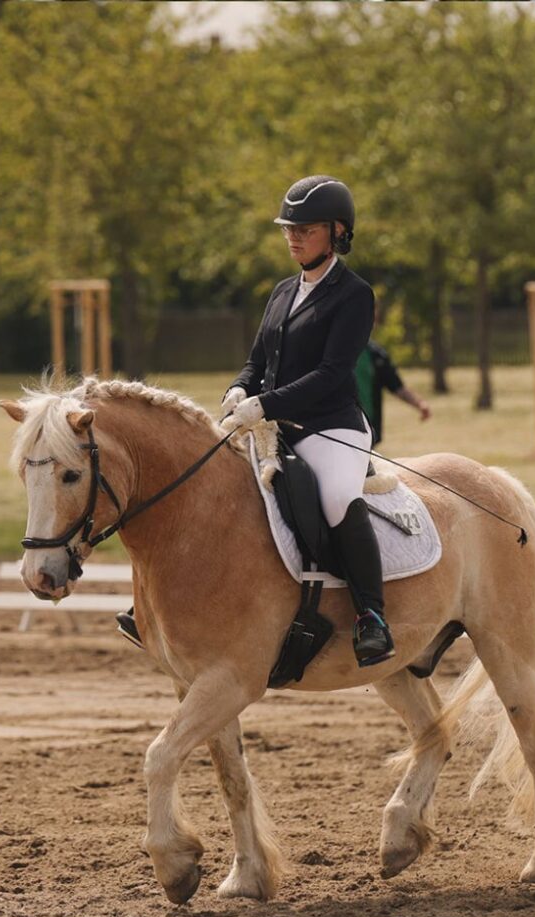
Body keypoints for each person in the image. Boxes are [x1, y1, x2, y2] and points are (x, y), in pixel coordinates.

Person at [118, 175, 394, 667]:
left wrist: (265, 405)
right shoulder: (283, 292)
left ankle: (371, 615)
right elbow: (257, 360)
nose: (293, 237)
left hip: (330, 426)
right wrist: (240, 388)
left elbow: (332, 374)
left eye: (305, 229)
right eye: (289, 228)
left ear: (337, 232)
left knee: (334, 497)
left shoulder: (354, 295)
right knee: (206, 488)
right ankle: (157, 607)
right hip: (269, 424)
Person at [355, 340, 431, 445]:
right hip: (339, 425)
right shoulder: (332, 347)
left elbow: (396, 386)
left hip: (368, 428)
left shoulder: (376, 354)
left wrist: (419, 403)